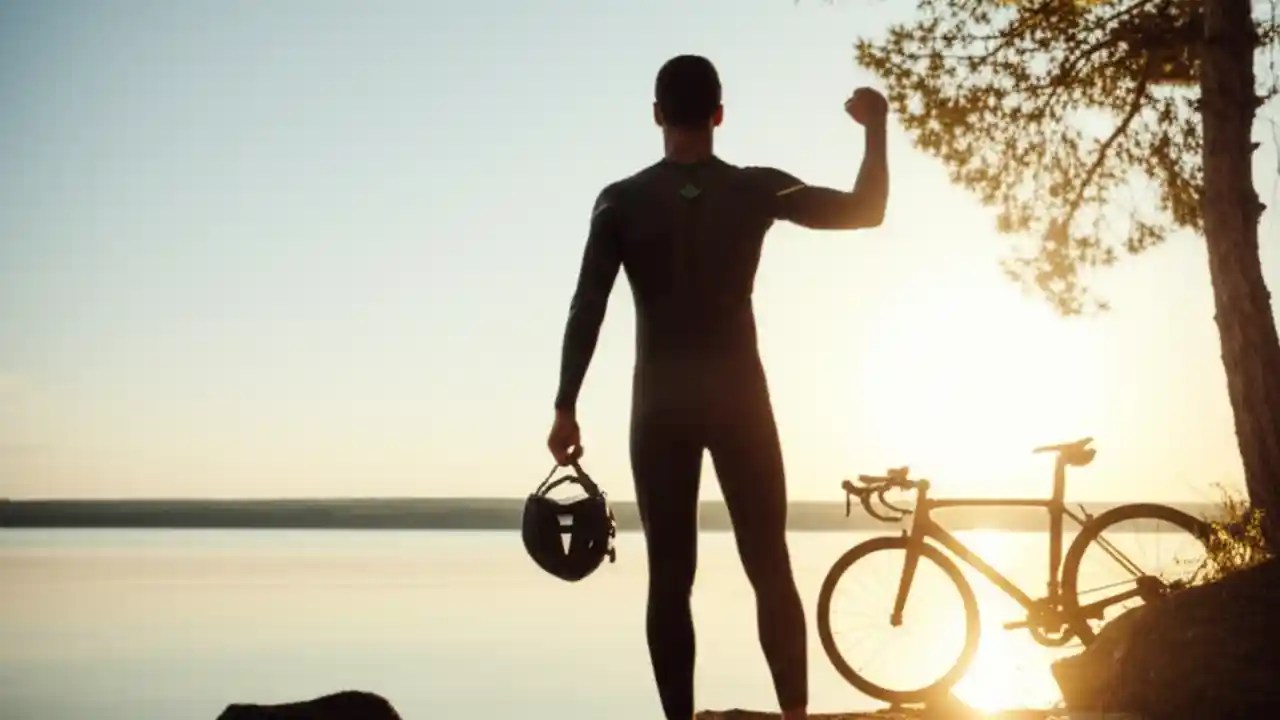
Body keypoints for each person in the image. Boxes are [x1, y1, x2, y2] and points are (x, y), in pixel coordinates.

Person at [546, 55, 889, 720]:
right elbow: (864, 211)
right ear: (719, 115)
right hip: (739, 402)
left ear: (656, 115)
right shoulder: (756, 190)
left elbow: (587, 306)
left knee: (670, 578)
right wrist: (875, 127)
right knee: (769, 565)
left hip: (660, 406)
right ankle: (794, 716)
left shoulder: (620, 201)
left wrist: (566, 406)